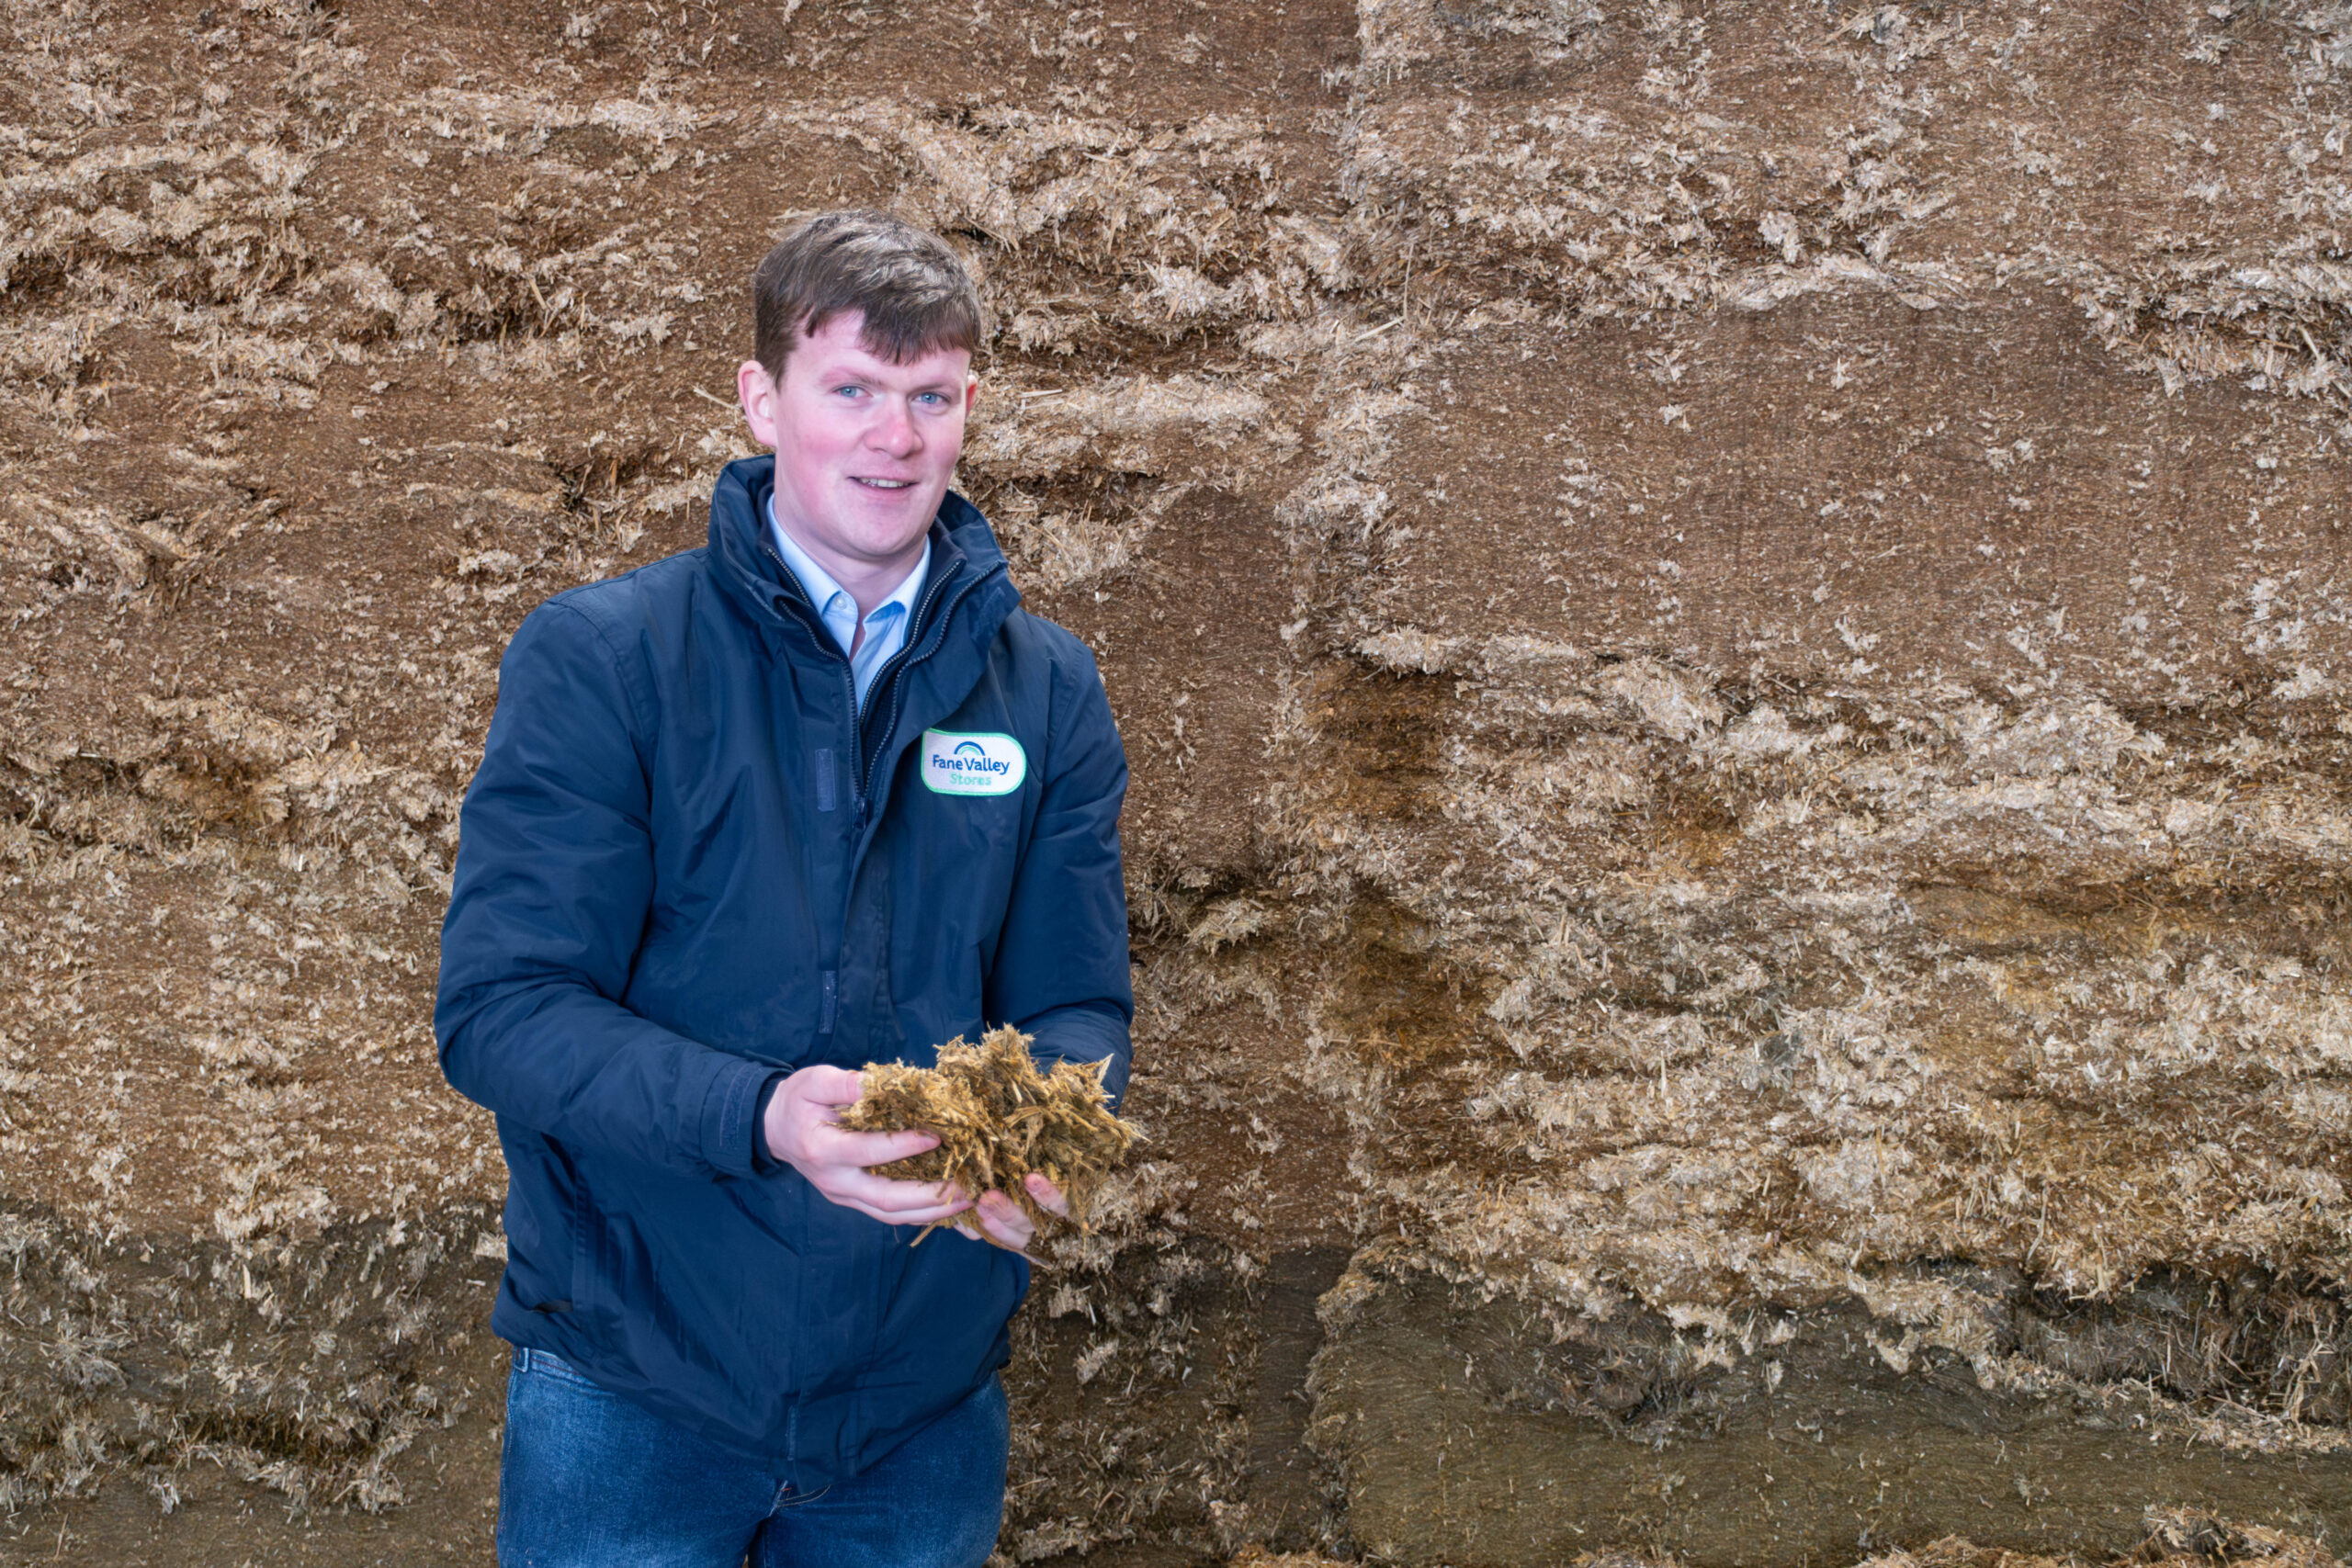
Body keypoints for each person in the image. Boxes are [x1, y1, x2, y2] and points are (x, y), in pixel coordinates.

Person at [435, 209, 1133, 1568]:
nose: (897, 437)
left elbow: (1076, 1003)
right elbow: (502, 1012)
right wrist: (760, 1115)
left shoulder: (1046, 691)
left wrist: (1041, 1131)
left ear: (968, 410)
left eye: (931, 396)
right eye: (854, 389)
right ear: (763, 402)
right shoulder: (608, 660)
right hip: (636, 1378)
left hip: (917, 1401)